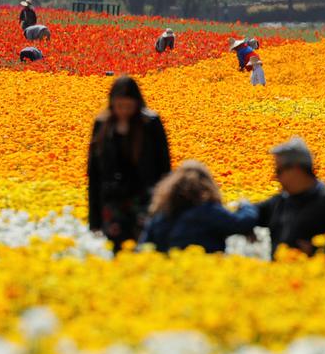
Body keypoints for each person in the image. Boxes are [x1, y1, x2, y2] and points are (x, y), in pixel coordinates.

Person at [87, 76, 172, 252]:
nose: (124, 111)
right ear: (112, 104)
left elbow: (164, 166)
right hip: (112, 201)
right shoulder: (102, 125)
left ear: (137, 103)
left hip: (144, 199)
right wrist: (94, 218)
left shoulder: (150, 123)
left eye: (128, 106)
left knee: (145, 250)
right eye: (119, 106)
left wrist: (164, 207)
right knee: (117, 252)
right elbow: (94, 173)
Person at [256, 137, 325, 258]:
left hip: (318, 273)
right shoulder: (282, 200)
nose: (276, 177)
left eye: (279, 171)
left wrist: (316, 250)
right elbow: (254, 212)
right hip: (282, 274)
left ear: (297, 169)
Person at [139, 161, 258, 254]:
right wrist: (245, 205)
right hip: (205, 272)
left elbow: (144, 247)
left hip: (166, 276)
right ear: (206, 185)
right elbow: (242, 223)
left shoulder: (162, 215)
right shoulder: (207, 211)